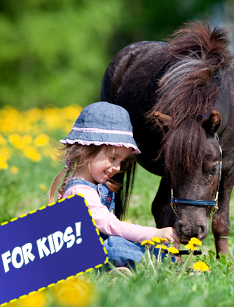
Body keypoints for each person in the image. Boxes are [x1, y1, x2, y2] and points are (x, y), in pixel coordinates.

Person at [48, 101, 179, 269]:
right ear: (86, 151)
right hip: (87, 255)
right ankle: (125, 268)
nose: (117, 167)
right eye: (112, 158)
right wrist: (153, 233)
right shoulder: (79, 192)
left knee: (126, 245)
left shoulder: (93, 185)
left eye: (121, 161)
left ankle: (158, 262)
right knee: (117, 248)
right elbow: (110, 225)